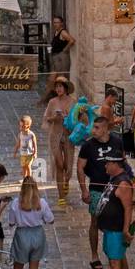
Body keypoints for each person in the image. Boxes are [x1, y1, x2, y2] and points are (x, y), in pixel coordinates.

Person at [77, 115, 124, 269]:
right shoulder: (88, 146)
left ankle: (114, 254)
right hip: (96, 189)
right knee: (95, 222)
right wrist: (84, 190)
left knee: (114, 222)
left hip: (115, 189)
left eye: (97, 128)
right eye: (93, 127)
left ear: (105, 129)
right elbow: (80, 168)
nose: (93, 130)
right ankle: (94, 255)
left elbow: (122, 163)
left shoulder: (117, 141)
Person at [3, 176, 55, 269]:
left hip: (22, 236)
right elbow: (50, 220)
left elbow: (11, 222)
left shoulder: (16, 203)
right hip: (38, 235)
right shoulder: (42, 203)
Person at [95, 154, 134, 269]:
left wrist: (125, 229)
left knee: (114, 262)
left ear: (116, 164)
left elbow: (128, 208)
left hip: (116, 230)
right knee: (120, 258)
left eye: (107, 164)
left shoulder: (123, 183)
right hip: (110, 229)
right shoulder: (114, 179)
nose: (105, 167)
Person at [42, 76, 75, 209]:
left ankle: (66, 181)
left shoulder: (73, 101)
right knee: (59, 164)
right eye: (56, 87)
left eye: (60, 86)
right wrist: (54, 118)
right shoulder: (52, 102)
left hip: (68, 136)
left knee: (68, 165)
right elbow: (46, 119)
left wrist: (69, 117)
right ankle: (61, 196)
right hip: (55, 136)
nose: (58, 89)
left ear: (66, 88)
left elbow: (79, 119)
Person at [13, 115, 37, 179]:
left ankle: (29, 179)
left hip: (29, 154)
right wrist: (15, 152)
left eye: (23, 126)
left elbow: (35, 144)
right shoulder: (20, 134)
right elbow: (18, 144)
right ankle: (24, 179)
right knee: (23, 167)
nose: (21, 128)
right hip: (22, 154)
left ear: (28, 126)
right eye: (20, 126)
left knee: (28, 166)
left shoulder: (31, 134)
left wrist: (35, 153)